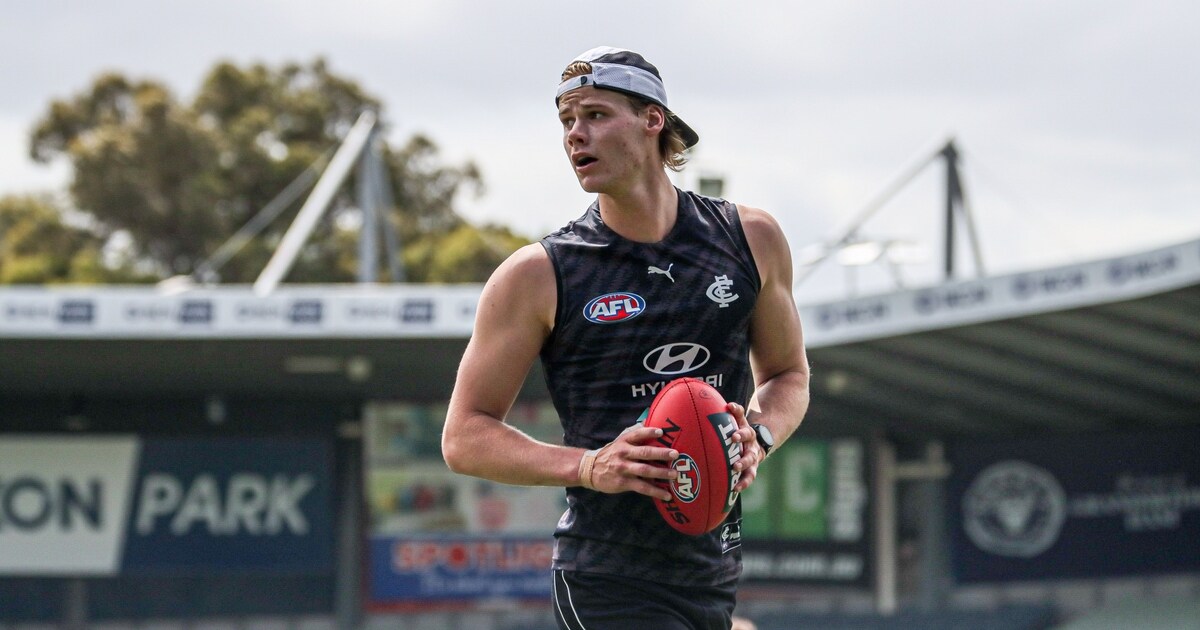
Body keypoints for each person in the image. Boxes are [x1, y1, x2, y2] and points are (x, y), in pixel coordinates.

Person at [442, 46, 810, 630]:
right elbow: (464, 437)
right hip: (606, 575)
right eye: (566, 122)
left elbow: (788, 375)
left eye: (594, 115)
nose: (574, 136)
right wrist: (590, 465)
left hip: (712, 570)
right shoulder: (538, 274)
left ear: (652, 119)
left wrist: (759, 436)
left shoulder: (751, 238)